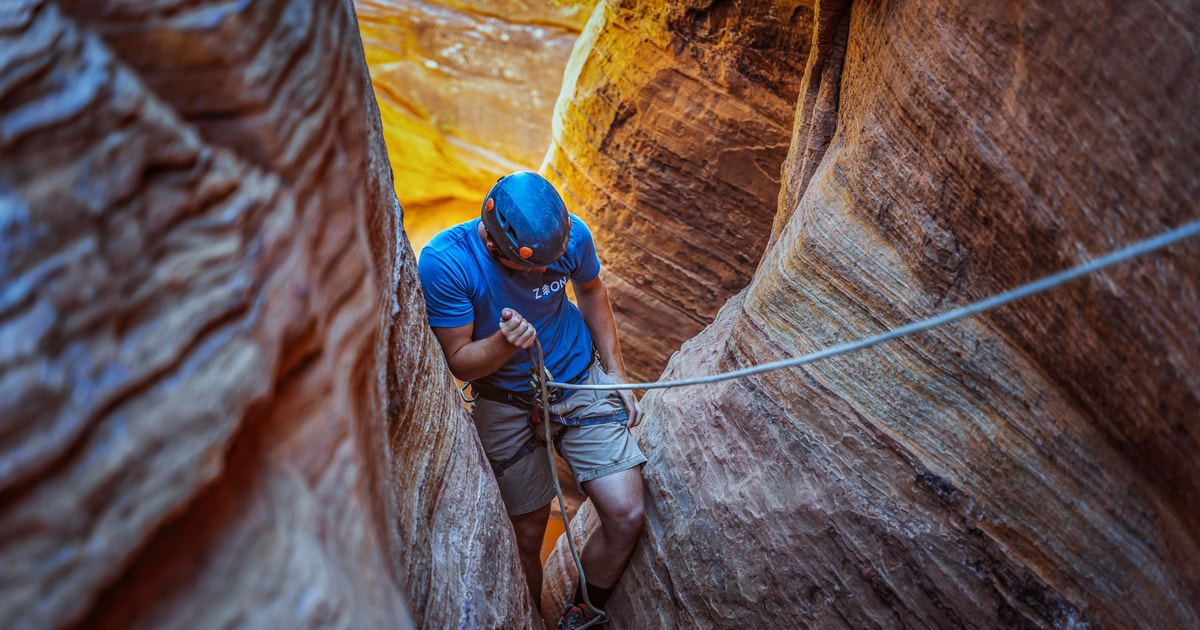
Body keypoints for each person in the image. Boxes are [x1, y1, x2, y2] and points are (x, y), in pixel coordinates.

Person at [416, 171, 646, 629]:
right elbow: (460, 361)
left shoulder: (567, 238)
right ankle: (531, 620)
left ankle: (583, 609)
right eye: (533, 267)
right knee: (526, 533)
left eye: (551, 263)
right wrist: (505, 343)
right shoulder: (446, 263)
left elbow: (592, 290)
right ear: (496, 246)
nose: (546, 273)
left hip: (577, 379)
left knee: (626, 514)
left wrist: (615, 373)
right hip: (503, 399)